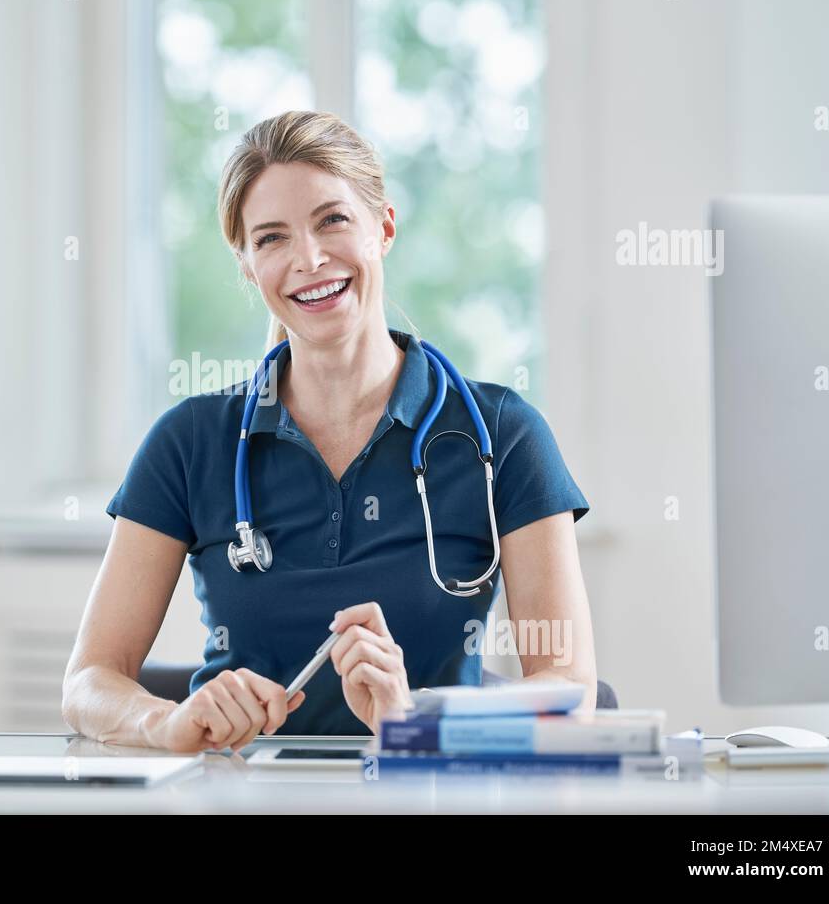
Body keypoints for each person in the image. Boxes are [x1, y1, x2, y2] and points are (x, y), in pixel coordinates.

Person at [61, 109, 596, 753]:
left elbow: (570, 690)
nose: (309, 259)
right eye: (272, 238)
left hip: (429, 791)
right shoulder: (190, 442)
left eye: (332, 220)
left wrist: (416, 721)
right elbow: (89, 681)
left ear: (385, 227)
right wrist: (164, 722)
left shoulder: (503, 435)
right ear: (247, 265)